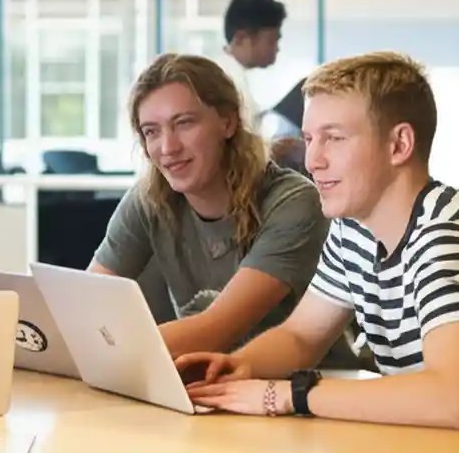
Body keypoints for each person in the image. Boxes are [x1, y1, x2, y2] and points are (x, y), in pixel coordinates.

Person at [179, 53, 459, 451]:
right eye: (310, 139)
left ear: (399, 144)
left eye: (334, 138)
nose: (313, 161)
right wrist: (241, 366)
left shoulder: (447, 236)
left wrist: (288, 395)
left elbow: (454, 401)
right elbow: (301, 336)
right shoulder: (353, 227)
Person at [90, 54, 358, 367]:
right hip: (208, 383)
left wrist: (100, 344)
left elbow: (216, 331)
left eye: (184, 123)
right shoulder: (150, 199)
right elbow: (88, 301)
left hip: (310, 384)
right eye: (151, 131)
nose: (168, 147)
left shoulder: (293, 202)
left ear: (227, 122)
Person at [217, 0, 287, 132]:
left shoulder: (234, 75)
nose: (277, 48)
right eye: (271, 41)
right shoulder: (226, 81)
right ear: (241, 38)